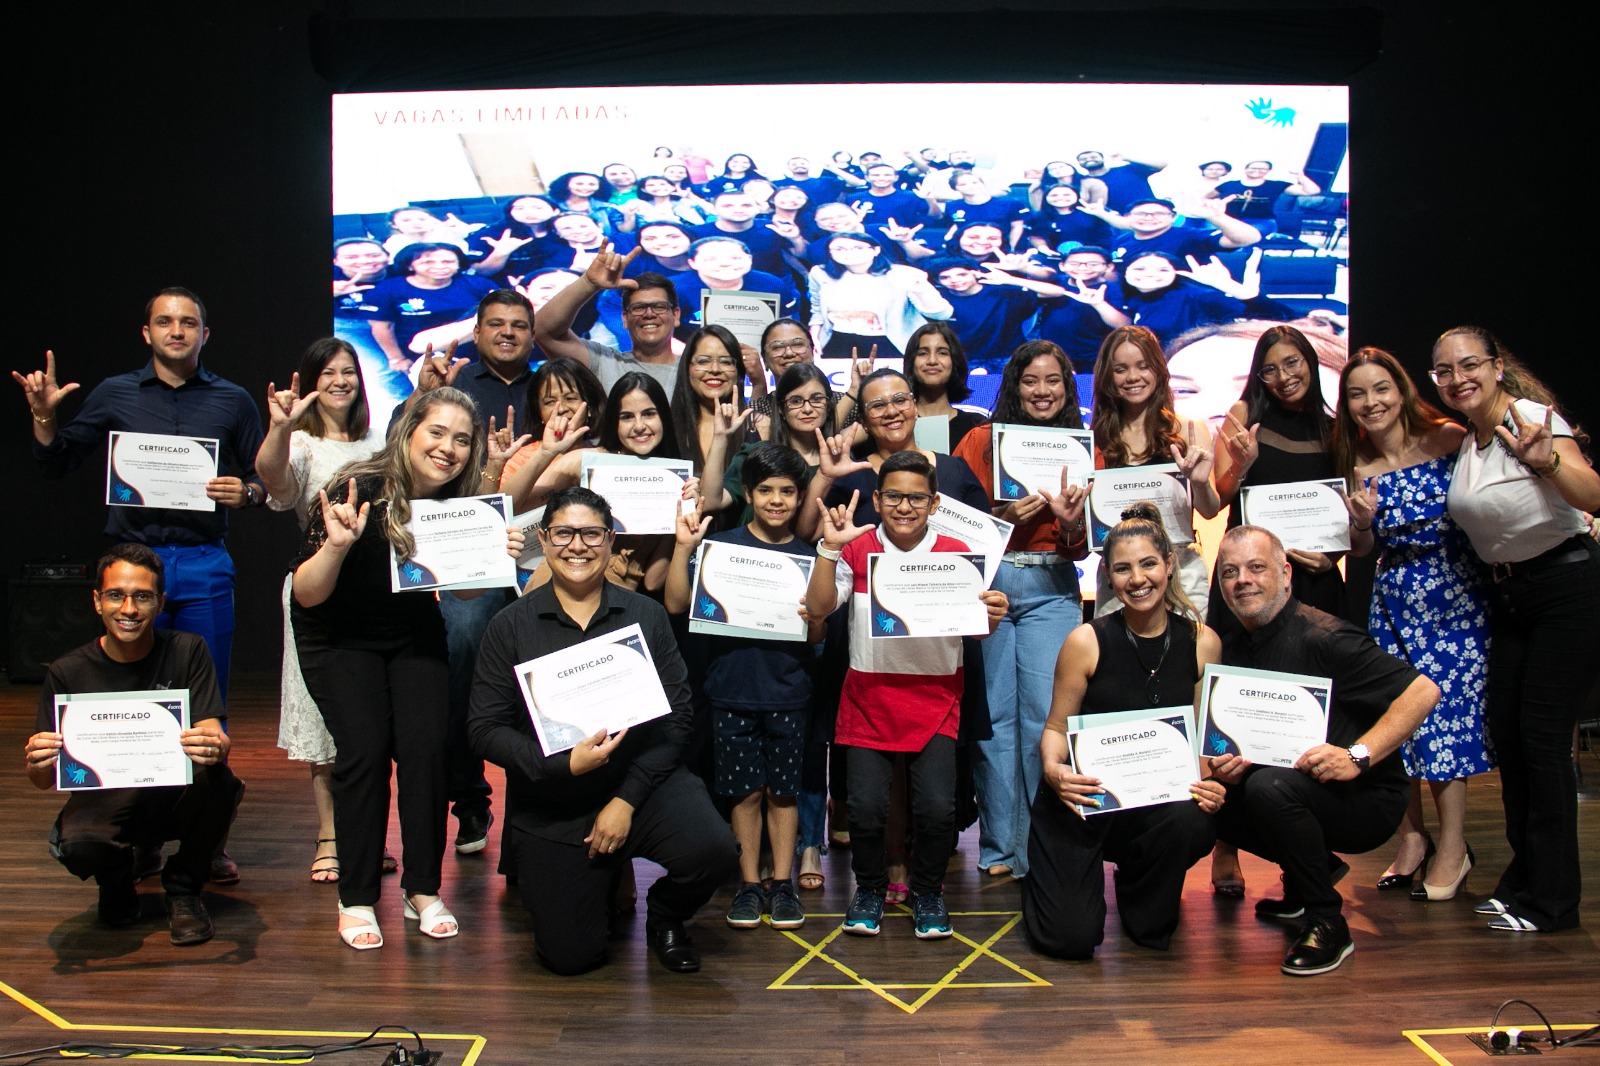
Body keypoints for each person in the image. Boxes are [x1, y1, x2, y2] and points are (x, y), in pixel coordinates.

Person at [468, 487, 739, 974]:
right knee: (571, 958)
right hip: (554, 801)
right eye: (564, 534)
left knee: (714, 849)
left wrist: (625, 800)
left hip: (641, 782)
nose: (578, 546)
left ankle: (666, 916)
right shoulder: (509, 626)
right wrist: (561, 763)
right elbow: (484, 729)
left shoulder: (645, 616)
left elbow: (678, 717)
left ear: (611, 541)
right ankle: (599, 879)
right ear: (545, 542)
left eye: (592, 533)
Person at [291, 387, 521, 949]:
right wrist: (337, 547)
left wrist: (494, 559)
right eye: (437, 432)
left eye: (462, 440)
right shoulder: (355, 487)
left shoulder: (456, 505)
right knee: (365, 753)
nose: (448, 448)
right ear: (408, 430)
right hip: (338, 635)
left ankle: (422, 888)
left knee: (426, 751)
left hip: (410, 633)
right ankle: (357, 896)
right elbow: (306, 594)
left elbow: (463, 600)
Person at [1208, 525, 1441, 975]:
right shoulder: (1233, 643)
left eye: (1257, 568)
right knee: (1209, 796)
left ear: (1286, 573)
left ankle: (1326, 920)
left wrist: (1357, 755)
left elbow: (1423, 692)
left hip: (1365, 798)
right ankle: (1306, 875)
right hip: (1300, 786)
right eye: (1231, 572)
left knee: (1270, 787)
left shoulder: (1327, 637)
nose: (1243, 580)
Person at [16, 288, 265, 704]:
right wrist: (44, 416)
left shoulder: (233, 399)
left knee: (207, 687)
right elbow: (57, 461)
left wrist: (248, 492)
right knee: (130, 684)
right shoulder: (115, 392)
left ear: (205, 334)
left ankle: (209, 771)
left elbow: (262, 475)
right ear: (146, 333)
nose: (177, 331)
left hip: (204, 560)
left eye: (188, 323)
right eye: (164, 322)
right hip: (132, 563)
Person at [1432, 325, 1600, 932]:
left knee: (1543, 742)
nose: (1457, 379)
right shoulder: (1471, 440)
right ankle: (1524, 878)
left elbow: (1593, 495)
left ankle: (1553, 903)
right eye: (1444, 372)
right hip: (1511, 595)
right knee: (1508, 734)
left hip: (1567, 587)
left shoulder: (1530, 417)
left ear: (1497, 366)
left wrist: (1549, 461)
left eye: (1468, 364)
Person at [805, 451, 1009, 939]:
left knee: (938, 810)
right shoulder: (856, 548)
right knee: (866, 811)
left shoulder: (957, 551)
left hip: (936, 697)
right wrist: (828, 550)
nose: (904, 507)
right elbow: (816, 610)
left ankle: (928, 893)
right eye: (893, 496)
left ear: (934, 502)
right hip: (867, 698)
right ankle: (870, 889)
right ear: (877, 499)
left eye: (916, 498)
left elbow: (973, 629)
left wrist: (992, 617)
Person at [1022, 505, 1225, 958]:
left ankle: (1141, 885)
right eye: (1122, 569)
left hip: (1152, 802)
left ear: (1169, 565)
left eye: (1148, 563)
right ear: (1109, 579)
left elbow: (1202, 741)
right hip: (1083, 800)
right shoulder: (1086, 641)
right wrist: (1055, 773)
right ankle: (1056, 876)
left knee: (1193, 821)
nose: (1138, 579)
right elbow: (1055, 728)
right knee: (1069, 939)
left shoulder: (1202, 642)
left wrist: (1210, 780)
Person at [1330, 346, 1491, 901]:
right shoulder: (1356, 462)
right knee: (1395, 723)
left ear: (1401, 390)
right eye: (1357, 393)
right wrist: (1363, 526)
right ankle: (1414, 838)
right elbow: (1363, 549)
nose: (1370, 402)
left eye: (1380, 388)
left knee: (1445, 723)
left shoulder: (1449, 439)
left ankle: (1454, 847)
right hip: (1393, 599)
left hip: (1456, 596)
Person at [24, 544, 243, 946]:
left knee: (219, 782)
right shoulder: (67, 671)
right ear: (97, 601)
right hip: (107, 801)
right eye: (116, 595)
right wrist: (38, 762)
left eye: (142, 597)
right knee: (78, 845)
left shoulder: (187, 650)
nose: (128, 609)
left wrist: (215, 743)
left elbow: (214, 731)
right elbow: (42, 779)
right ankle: (116, 881)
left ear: (160, 603)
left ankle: (184, 891)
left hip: (170, 796)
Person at [401, 291, 542, 855]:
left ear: (533, 333)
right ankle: (471, 796)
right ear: (478, 331)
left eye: (519, 326)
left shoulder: (548, 385)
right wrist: (424, 395)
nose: (508, 334)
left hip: (538, 550)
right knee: (461, 654)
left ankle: (535, 817)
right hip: (462, 553)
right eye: (496, 325)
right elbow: (404, 444)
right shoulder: (452, 387)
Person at [665, 445, 826, 931]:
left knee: (783, 792)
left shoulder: (809, 558)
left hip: (789, 693)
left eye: (787, 492)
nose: (776, 500)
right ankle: (749, 883)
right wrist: (682, 547)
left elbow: (818, 633)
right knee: (743, 793)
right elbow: (675, 603)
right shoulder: (721, 547)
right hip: (730, 690)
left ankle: (783, 884)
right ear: (750, 495)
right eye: (765, 490)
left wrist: (812, 616)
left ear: (800, 498)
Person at [952, 341, 1090, 880]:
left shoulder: (1082, 449)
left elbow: (1081, 545)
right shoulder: (980, 440)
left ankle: (1040, 847)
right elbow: (953, 526)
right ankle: (999, 847)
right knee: (993, 722)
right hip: (989, 585)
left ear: (1067, 386)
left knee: (1045, 720)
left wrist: (1074, 523)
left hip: (1053, 585)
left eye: (1053, 380)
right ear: (1013, 385)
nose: (1042, 391)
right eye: (1030, 381)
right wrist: (1001, 515)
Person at [256, 338, 382, 884]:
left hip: (377, 594)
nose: (340, 380)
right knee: (324, 720)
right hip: (317, 591)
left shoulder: (382, 440)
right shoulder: (301, 445)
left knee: (372, 725)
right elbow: (275, 482)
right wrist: (281, 427)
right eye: (327, 372)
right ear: (310, 382)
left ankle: (367, 833)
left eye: (348, 371)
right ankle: (331, 836)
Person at [1089, 326, 1221, 615]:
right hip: (1120, 574)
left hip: (1181, 569)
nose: (1133, 377)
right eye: (1121, 369)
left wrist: (1198, 483)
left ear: (1159, 370)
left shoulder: (1187, 428)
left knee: (1187, 656)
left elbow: (1210, 509)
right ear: (1107, 377)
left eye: (1143, 366)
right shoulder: (1096, 437)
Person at [534, 243, 684, 393]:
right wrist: (588, 283)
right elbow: (544, 332)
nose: (649, 314)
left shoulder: (697, 369)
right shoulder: (604, 363)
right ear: (624, 318)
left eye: (659, 307)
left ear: (676, 315)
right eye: (639, 308)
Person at [807, 233, 953, 362]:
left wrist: (921, 289)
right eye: (839, 249)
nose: (849, 253)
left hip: (890, 341)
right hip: (837, 340)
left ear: (876, 250)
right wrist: (814, 340)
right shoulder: (820, 273)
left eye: (858, 248)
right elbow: (817, 311)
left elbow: (942, 313)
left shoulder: (901, 274)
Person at [366, 243, 498, 372]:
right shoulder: (389, 289)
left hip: (468, 349)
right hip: (417, 353)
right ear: (410, 265)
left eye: (448, 262)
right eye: (427, 262)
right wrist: (397, 358)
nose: (439, 266)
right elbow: (383, 327)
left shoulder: (478, 284)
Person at [925, 257, 1067, 374]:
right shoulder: (936, 298)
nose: (954, 280)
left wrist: (1012, 280)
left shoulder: (1004, 292)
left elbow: (1057, 292)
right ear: (938, 281)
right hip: (964, 358)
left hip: (1009, 356)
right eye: (945, 277)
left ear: (976, 273)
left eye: (962, 274)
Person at [1116, 250, 1261, 348]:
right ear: (1125, 272)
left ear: (1177, 273)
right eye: (1139, 269)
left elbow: (1270, 316)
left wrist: (1245, 295)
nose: (1149, 274)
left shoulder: (1199, 296)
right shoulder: (1134, 298)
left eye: (1163, 270)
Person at [669, 237, 797, 333]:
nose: (725, 263)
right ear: (692, 263)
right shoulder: (670, 289)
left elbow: (785, 321)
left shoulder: (770, 283)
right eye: (711, 259)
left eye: (735, 258)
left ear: (749, 259)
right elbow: (658, 335)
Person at [1033, 246, 1130, 372]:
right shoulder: (1054, 283)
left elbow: (1123, 324)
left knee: (1086, 390)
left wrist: (1099, 303)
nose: (1083, 268)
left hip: (1093, 358)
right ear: (1062, 266)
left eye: (1093, 264)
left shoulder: (1112, 289)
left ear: (1109, 267)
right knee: (1056, 390)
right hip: (1053, 354)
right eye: (1074, 263)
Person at [669, 324, 748, 475]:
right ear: (687, 368)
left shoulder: (758, 426)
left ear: (738, 371)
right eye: (703, 361)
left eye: (725, 361)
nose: (714, 369)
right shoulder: (666, 426)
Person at [1094, 197, 1262, 265]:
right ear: (1127, 216)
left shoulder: (1190, 236)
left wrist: (1216, 217)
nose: (1149, 218)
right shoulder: (1123, 240)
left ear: (1173, 218)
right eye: (1141, 213)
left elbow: (1248, 238)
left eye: (1158, 214)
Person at [903, 322, 988, 451]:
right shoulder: (897, 425)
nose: (932, 361)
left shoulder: (977, 426)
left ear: (954, 362)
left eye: (942, 353)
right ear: (911, 362)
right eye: (922, 353)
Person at [691, 190, 806, 277]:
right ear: (714, 210)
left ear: (758, 209)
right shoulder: (695, 233)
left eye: (746, 205)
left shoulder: (774, 227)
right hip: (717, 286)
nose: (738, 210)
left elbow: (800, 255)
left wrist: (796, 239)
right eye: (728, 206)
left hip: (771, 286)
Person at [1207, 161, 1322, 234]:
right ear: (1245, 169)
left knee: (1246, 238)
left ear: (1268, 171)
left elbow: (1312, 191)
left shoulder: (1276, 185)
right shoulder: (1229, 184)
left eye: (1262, 169)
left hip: (1260, 221)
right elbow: (1206, 197)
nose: (1257, 171)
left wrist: (1299, 175)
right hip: (1228, 219)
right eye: (1253, 168)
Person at [466, 195, 562, 282]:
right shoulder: (490, 233)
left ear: (555, 211)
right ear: (510, 212)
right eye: (519, 208)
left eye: (537, 208)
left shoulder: (567, 230)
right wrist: (500, 253)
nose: (528, 212)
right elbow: (481, 271)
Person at [1026, 184, 1115, 257]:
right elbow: (1036, 236)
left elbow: (1108, 234)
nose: (1060, 198)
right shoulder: (1039, 216)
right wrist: (1044, 249)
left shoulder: (1092, 212)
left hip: (1095, 255)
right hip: (1054, 257)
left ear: (1077, 196)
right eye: (1054, 195)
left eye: (1067, 195)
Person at [1073, 151, 1166, 212]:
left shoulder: (1128, 169)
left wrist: (1126, 157)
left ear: (1103, 158)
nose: (1089, 159)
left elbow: (1161, 165)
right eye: (1083, 159)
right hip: (1116, 222)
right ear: (1079, 164)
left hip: (1151, 212)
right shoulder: (1082, 181)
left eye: (1093, 156)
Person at [546, 172, 625, 234]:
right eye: (579, 184)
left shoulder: (607, 207)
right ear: (567, 185)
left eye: (592, 184)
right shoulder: (553, 206)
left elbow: (621, 231)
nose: (585, 187)